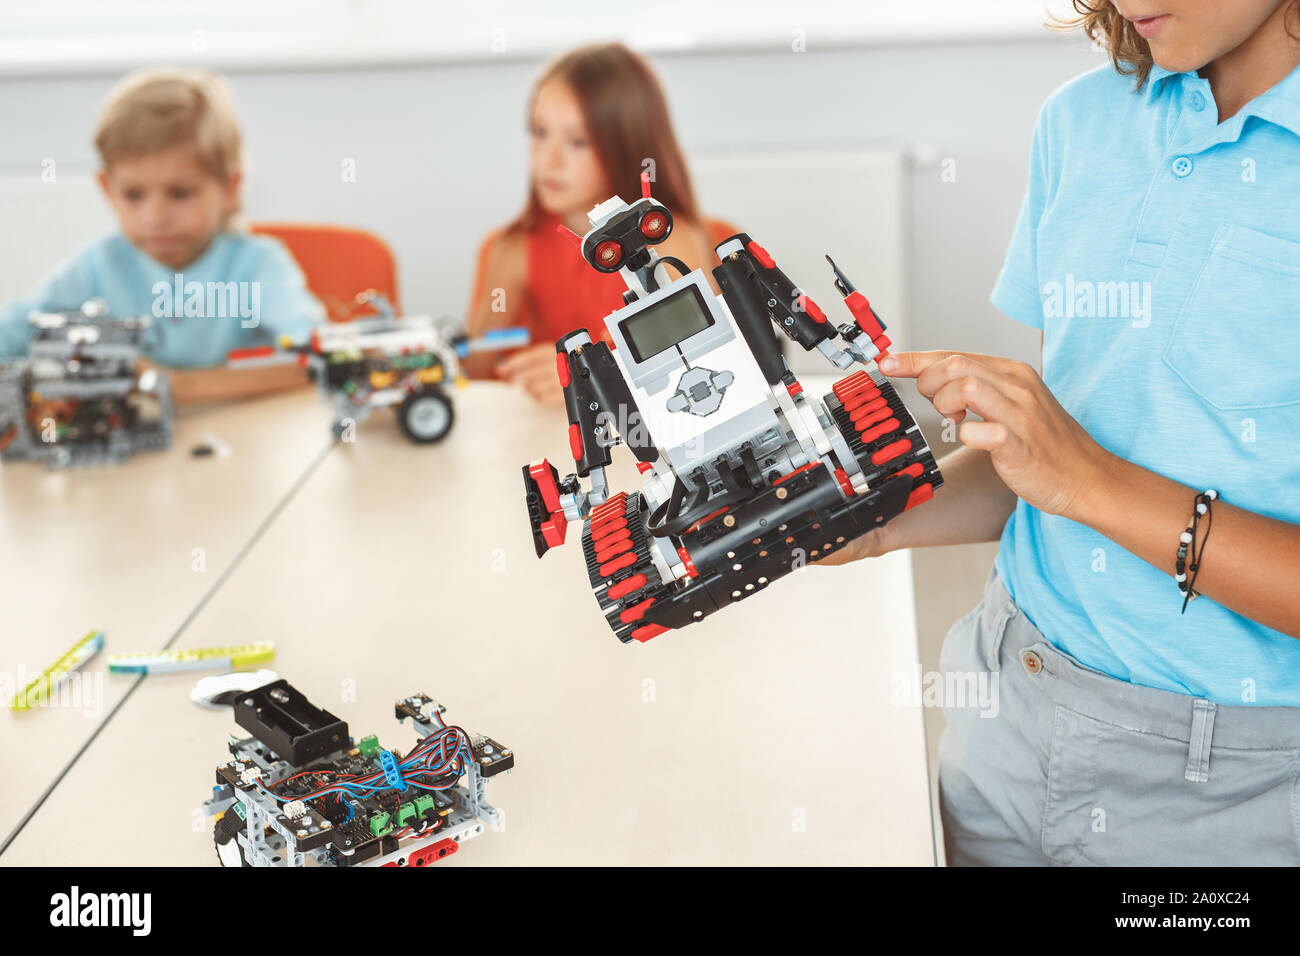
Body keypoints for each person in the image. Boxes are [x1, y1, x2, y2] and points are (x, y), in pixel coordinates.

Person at [823, 0, 1300, 865]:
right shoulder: (1082, 122)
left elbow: (1080, 475)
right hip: (1009, 706)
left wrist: (1089, 479)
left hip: (1233, 796)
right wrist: (874, 518)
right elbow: (1047, 469)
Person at [0, 68, 323, 404]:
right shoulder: (97, 266)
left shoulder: (257, 267)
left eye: (180, 193)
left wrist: (182, 386)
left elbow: (317, 354)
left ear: (230, 188)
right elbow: (14, 331)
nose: (155, 218)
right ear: (107, 190)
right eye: (134, 195)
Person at [463, 43, 736, 405]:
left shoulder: (669, 240)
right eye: (539, 132)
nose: (549, 159)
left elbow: (704, 361)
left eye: (579, 142)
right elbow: (473, 372)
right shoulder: (512, 248)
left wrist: (591, 379)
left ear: (627, 145)